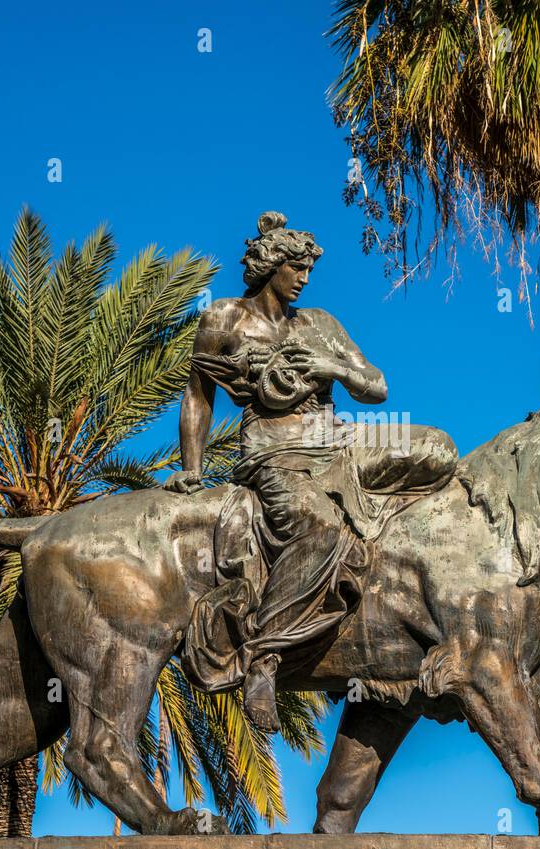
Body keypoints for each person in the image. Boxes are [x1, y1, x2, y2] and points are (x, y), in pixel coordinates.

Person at [165, 211, 457, 732]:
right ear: (271, 266)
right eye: (296, 268)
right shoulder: (223, 319)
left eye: (308, 270)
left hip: (338, 442)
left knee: (437, 448)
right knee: (319, 523)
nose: (304, 278)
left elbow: (377, 386)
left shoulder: (320, 324)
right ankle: (263, 656)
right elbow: (197, 396)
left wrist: (334, 369)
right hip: (276, 451)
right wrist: (192, 468)